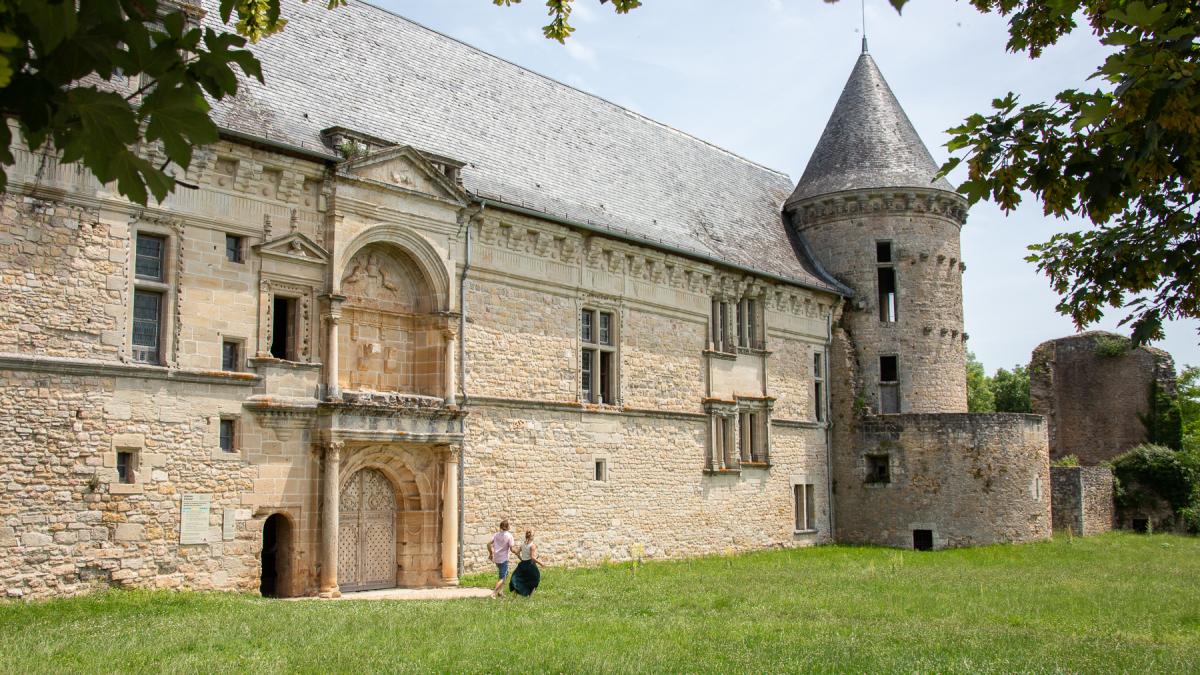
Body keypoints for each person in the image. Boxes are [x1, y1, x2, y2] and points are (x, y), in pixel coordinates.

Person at [508, 529, 543, 597]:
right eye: (533, 535)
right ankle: (530, 597)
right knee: (536, 579)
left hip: (522, 564)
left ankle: (515, 595)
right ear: (531, 537)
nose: (534, 536)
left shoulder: (522, 545)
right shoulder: (532, 546)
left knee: (521, 579)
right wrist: (541, 564)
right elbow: (532, 557)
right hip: (530, 565)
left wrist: (521, 559)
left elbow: (517, 553)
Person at [487, 519, 517, 598]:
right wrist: (517, 552)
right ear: (507, 527)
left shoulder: (496, 534)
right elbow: (512, 549)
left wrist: (491, 553)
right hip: (503, 559)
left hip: (497, 558)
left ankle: (500, 592)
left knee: (505, 574)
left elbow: (488, 544)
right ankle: (494, 593)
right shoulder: (509, 536)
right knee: (502, 578)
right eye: (509, 525)